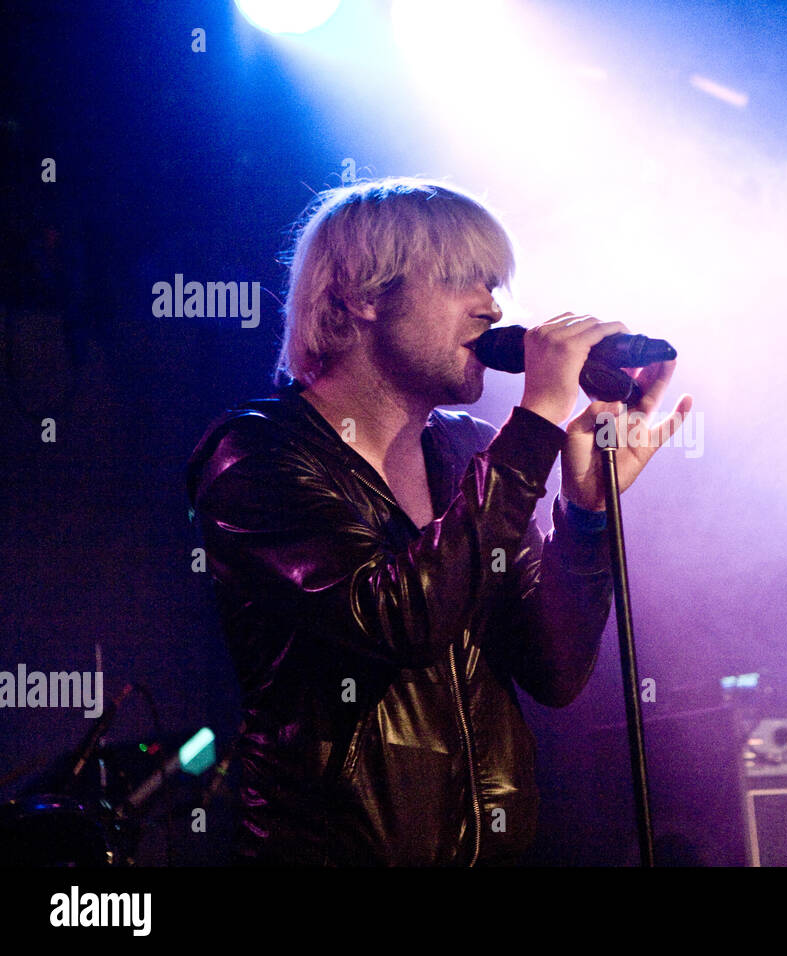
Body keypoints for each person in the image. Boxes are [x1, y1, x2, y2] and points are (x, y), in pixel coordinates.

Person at [185, 178, 691, 865]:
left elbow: (553, 670)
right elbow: (397, 619)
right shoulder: (256, 454)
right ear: (364, 294)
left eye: (493, 284)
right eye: (462, 281)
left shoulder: (466, 451)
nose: (491, 308)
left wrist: (586, 515)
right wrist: (537, 417)